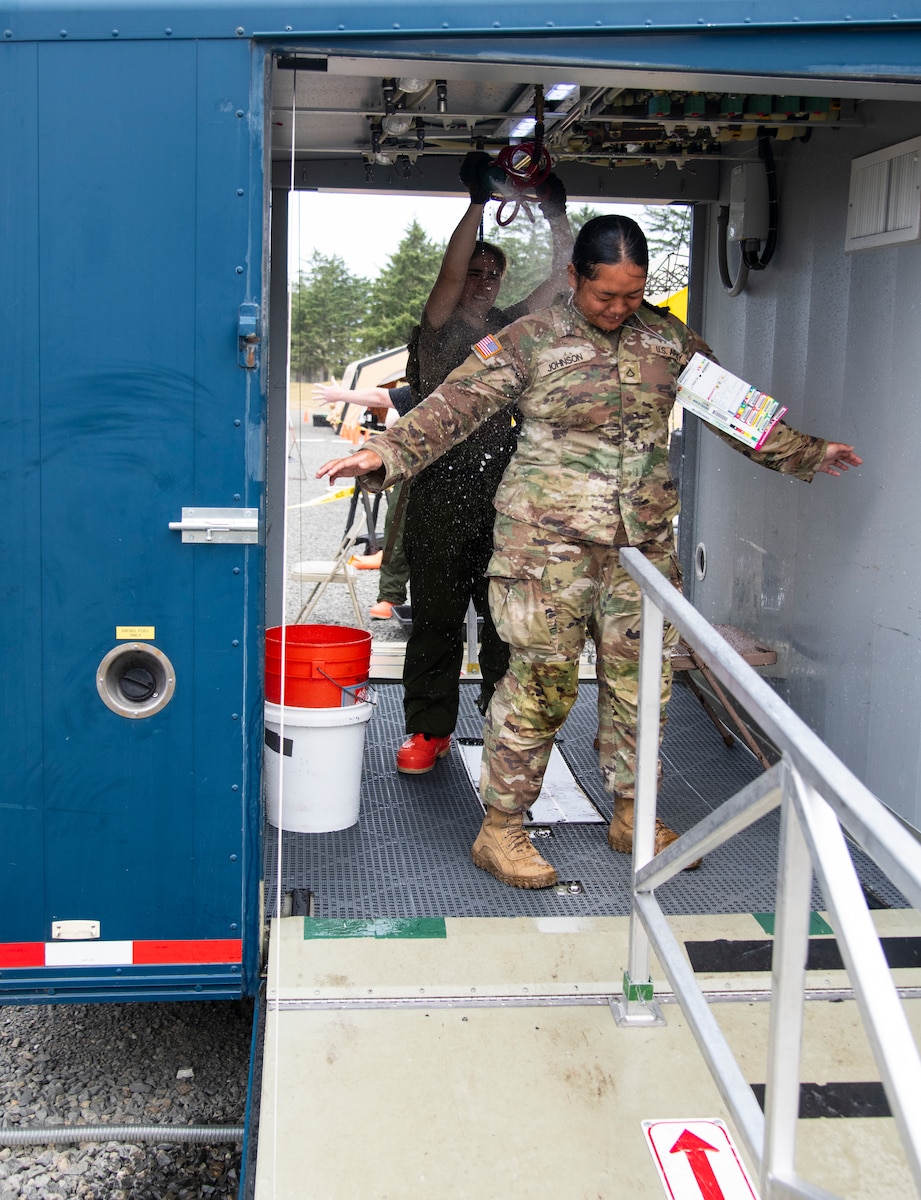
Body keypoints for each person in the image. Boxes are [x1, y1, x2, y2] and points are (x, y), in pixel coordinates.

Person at [316, 214, 861, 888]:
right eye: (605, 294)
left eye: (631, 296)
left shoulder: (666, 340)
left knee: (642, 688)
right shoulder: (529, 339)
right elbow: (454, 403)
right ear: (573, 277)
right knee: (541, 688)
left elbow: (734, 411)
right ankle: (502, 829)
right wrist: (384, 451)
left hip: (640, 551)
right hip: (546, 552)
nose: (617, 308)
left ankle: (633, 813)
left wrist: (807, 451)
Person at [391, 152, 573, 775]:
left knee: (505, 628)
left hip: (503, 502)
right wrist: (475, 204)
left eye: (492, 272)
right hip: (439, 500)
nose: (483, 280)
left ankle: (504, 735)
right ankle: (427, 731)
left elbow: (562, 279)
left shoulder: (510, 328)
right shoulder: (439, 330)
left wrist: (556, 213)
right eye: (475, 271)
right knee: (437, 625)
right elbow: (445, 276)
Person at [313, 381, 414, 619]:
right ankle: (391, 596)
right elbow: (380, 396)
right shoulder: (419, 387)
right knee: (395, 533)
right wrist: (340, 394)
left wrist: (339, 395)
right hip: (409, 467)